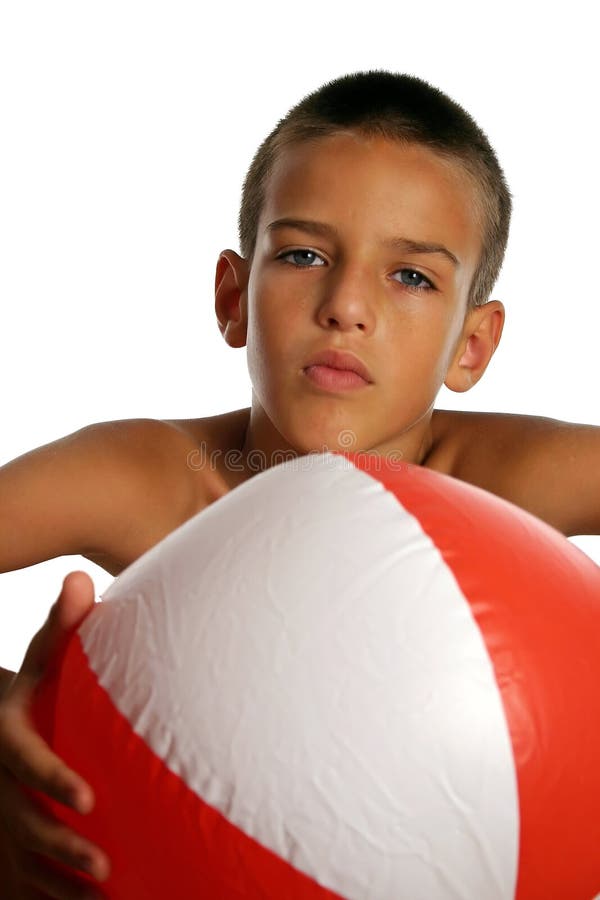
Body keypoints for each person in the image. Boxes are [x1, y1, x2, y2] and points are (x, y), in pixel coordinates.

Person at [0, 69, 598, 899]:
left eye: (412, 276)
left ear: (473, 345)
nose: (346, 305)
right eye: (304, 255)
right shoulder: (153, 478)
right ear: (233, 296)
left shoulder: (510, 483)